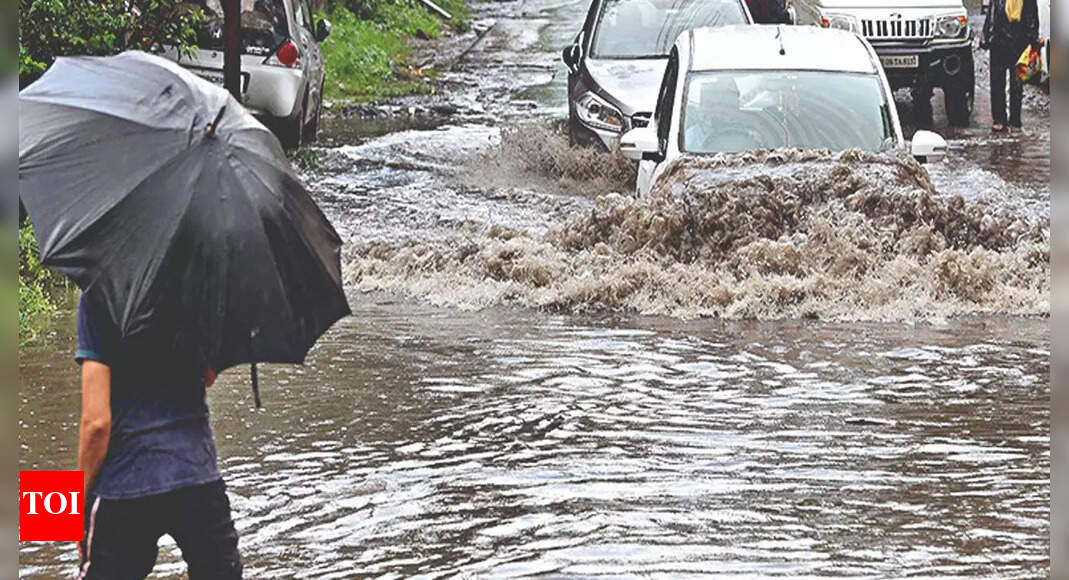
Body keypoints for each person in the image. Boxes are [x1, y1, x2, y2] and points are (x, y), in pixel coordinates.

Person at [75, 292, 242, 579]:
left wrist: (75, 505)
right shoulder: (200, 288)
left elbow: (96, 424)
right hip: (196, 472)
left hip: (123, 482)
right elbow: (209, 377)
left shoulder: (98, 294)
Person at [983, 0, 1039, 132]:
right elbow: (992, 14)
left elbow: (1032, 16)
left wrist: (1033, 39)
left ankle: (1015, 120)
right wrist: (987, 36)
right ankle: (999, 119)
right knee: (997, 81)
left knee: (1016, 83)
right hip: (998, 40)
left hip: (1019, 40)